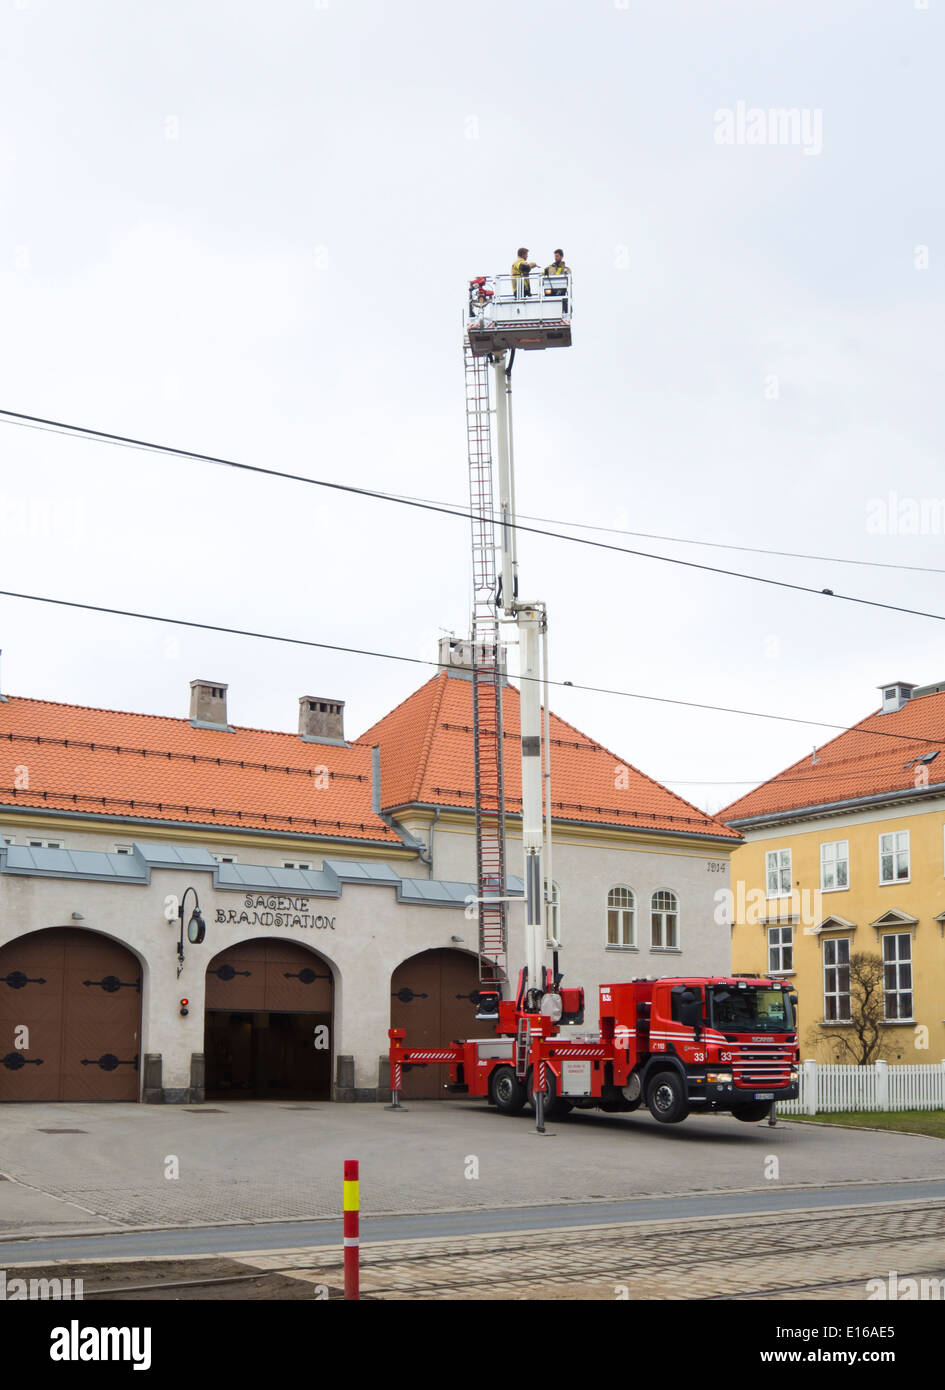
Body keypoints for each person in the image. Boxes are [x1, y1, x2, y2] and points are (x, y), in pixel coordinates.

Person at [543, 248, 571, 313]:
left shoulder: (566, 269)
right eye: (555, 256)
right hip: (550, 290)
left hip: (561, 291)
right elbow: (543, 275)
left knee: (563, 304)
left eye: (557, 256)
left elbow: (569, 280)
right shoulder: (549, 267)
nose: (555, 258)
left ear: (561, 257)